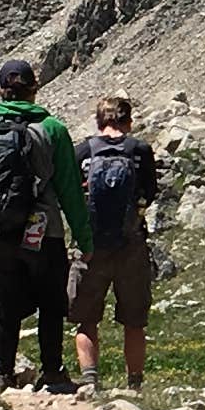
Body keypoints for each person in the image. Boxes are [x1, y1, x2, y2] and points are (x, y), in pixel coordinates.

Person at [0, 56, 88, 392]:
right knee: (50, 302)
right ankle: (53, 372)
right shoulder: (53, 129)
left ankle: (2, 371)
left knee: (7, 303)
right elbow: (70, 190)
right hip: (46, 232)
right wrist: (84, 238)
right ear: (34, 89)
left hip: (0, 232)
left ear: (1, 91)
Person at [70, 94, 160, 393]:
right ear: (128, 121)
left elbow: (69, 194)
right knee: (134, 321)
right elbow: (151, 191)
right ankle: (134, 384)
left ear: (99, 122)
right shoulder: (140, 150)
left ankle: (90, 381)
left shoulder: (83, 150)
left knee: (85, 319)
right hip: (130, 245)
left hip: (90, 245)